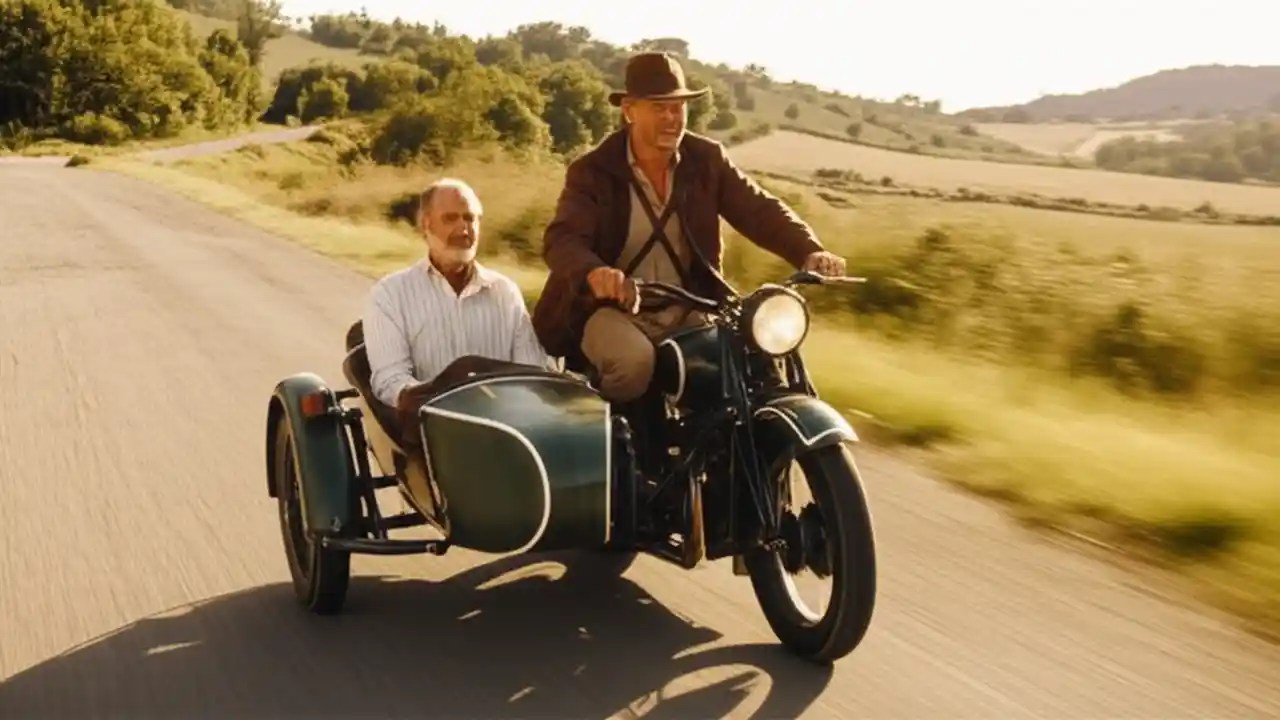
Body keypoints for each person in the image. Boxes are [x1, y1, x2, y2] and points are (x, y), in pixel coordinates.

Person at [531, 51, 846, 406]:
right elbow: (563, 239)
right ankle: (612, 448)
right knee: (634, 365)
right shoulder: (592, 170)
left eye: (678, 108)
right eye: (659, 107)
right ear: (630, 111)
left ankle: (733, 451)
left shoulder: (707, 160)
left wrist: (808, 250)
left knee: (744, 366)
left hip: (688, 306)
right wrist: (595, 273)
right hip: (606, 310)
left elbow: (758, 209)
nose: (671, 118)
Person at [364, 177, 551, 446]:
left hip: (506, 433)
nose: (464, 228)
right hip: (433, 436)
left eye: (470, 219)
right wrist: (418, 400)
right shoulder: (390, 294)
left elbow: (530, 371)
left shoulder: (505, 291)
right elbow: (390, 379)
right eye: (451, 218)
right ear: (426, 224)